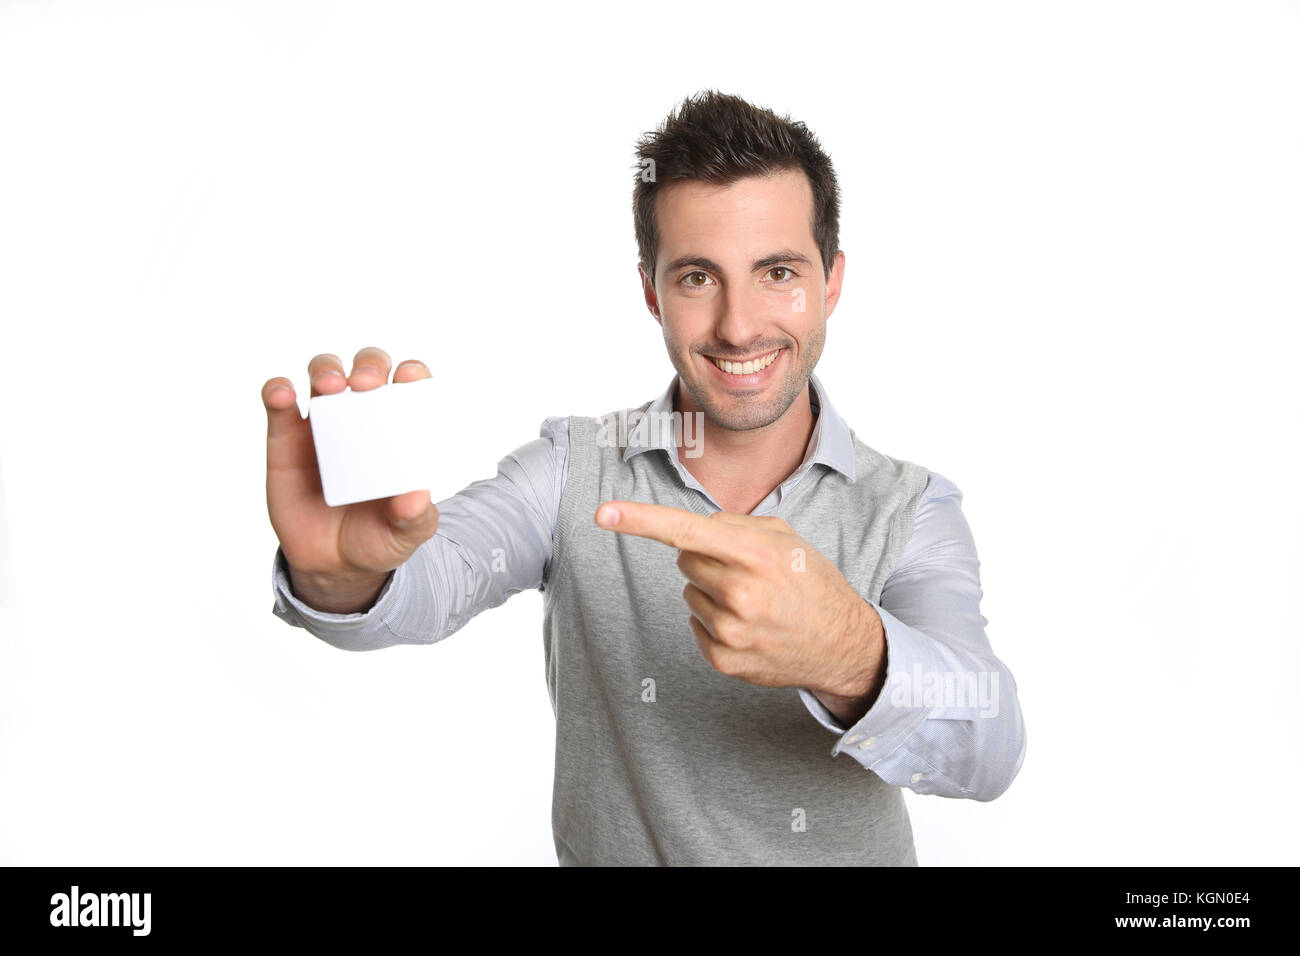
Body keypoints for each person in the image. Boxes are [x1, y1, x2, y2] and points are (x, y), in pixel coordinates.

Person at [262, 89, 1026, 866]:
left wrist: (850, 653)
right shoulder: (573, 468)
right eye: (698, 277)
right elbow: (438, 576)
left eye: (777, 272)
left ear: (830, 282)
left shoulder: (911, 508)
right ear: (651, 291)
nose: (738, 325)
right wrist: (343, 578)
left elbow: (991, 746)